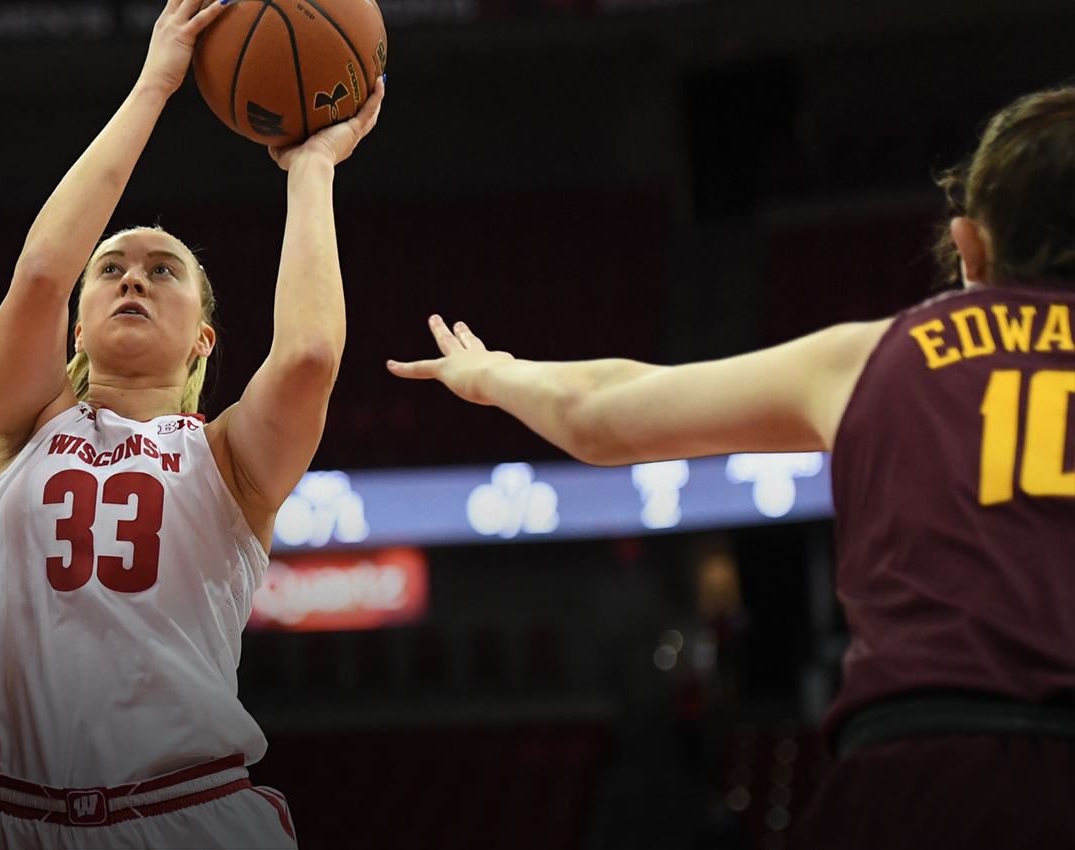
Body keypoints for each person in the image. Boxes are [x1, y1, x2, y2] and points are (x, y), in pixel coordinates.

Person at [387, 85, 1075, 848]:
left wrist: (494, 376)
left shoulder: (874, 356)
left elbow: (602, 411)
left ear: (970, 248)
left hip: (916, 774)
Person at [0, 0, 384, 845]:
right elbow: (43, 271)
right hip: (15, 819)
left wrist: (311, 169)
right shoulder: (16, 429)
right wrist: (156, 80)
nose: (133, 280)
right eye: (111, 268)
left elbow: (306, 359)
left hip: (191, 815)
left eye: (163, 270)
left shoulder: (228, 461)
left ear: (203, 340)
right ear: (76, 329)